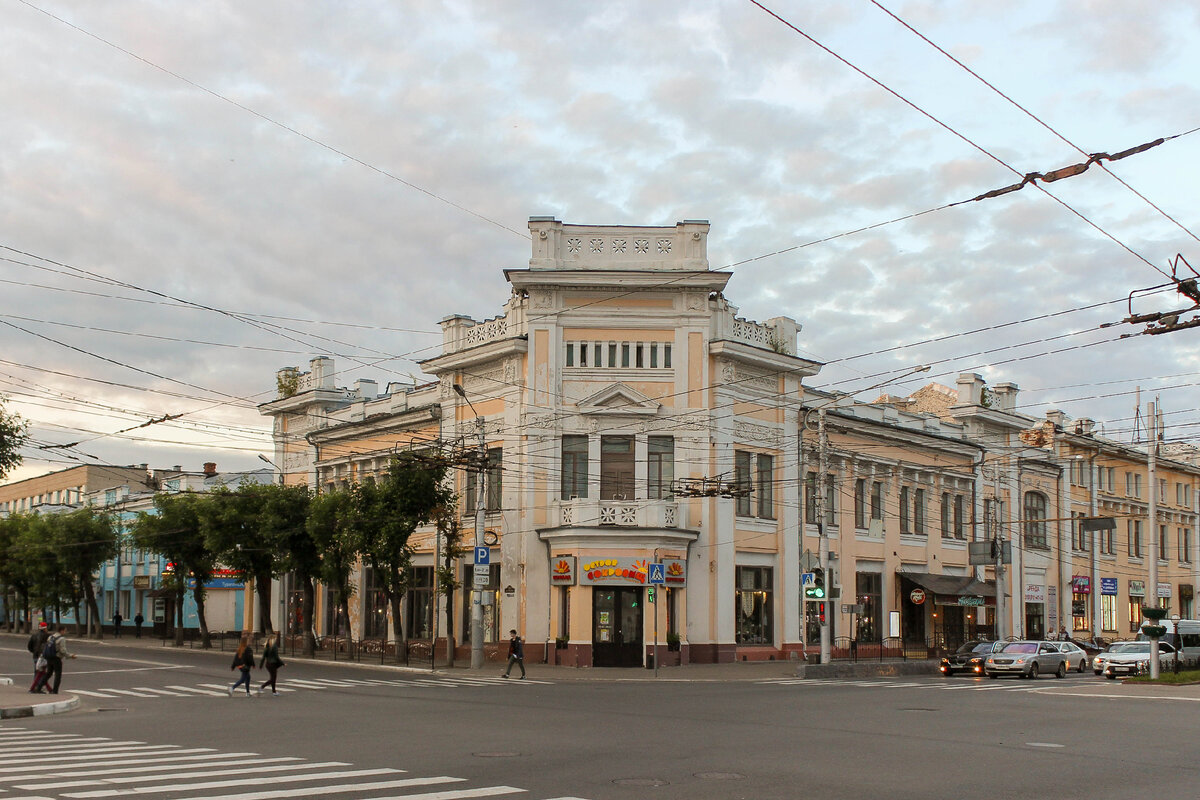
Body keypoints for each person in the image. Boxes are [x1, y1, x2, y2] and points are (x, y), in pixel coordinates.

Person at [35, 626, 77, 694]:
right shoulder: (61, 639)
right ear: (62, 631)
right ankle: (55, 691)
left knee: (48, 673)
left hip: (49, 657)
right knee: (58, 675)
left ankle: (39, 687)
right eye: (65, 630)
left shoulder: (51, 637)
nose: (65, 632)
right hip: (56, 658)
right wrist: (70, 656)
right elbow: (63, 651)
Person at [27, 622, 50, 693]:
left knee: (37, 671)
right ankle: (38, 687)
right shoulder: (47, 636)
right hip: (43, 657)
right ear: (45, 628)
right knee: (42, 673)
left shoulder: (34, 635)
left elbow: (29, 646)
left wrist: (34, 652)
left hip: (35, 656)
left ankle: (35, 687)